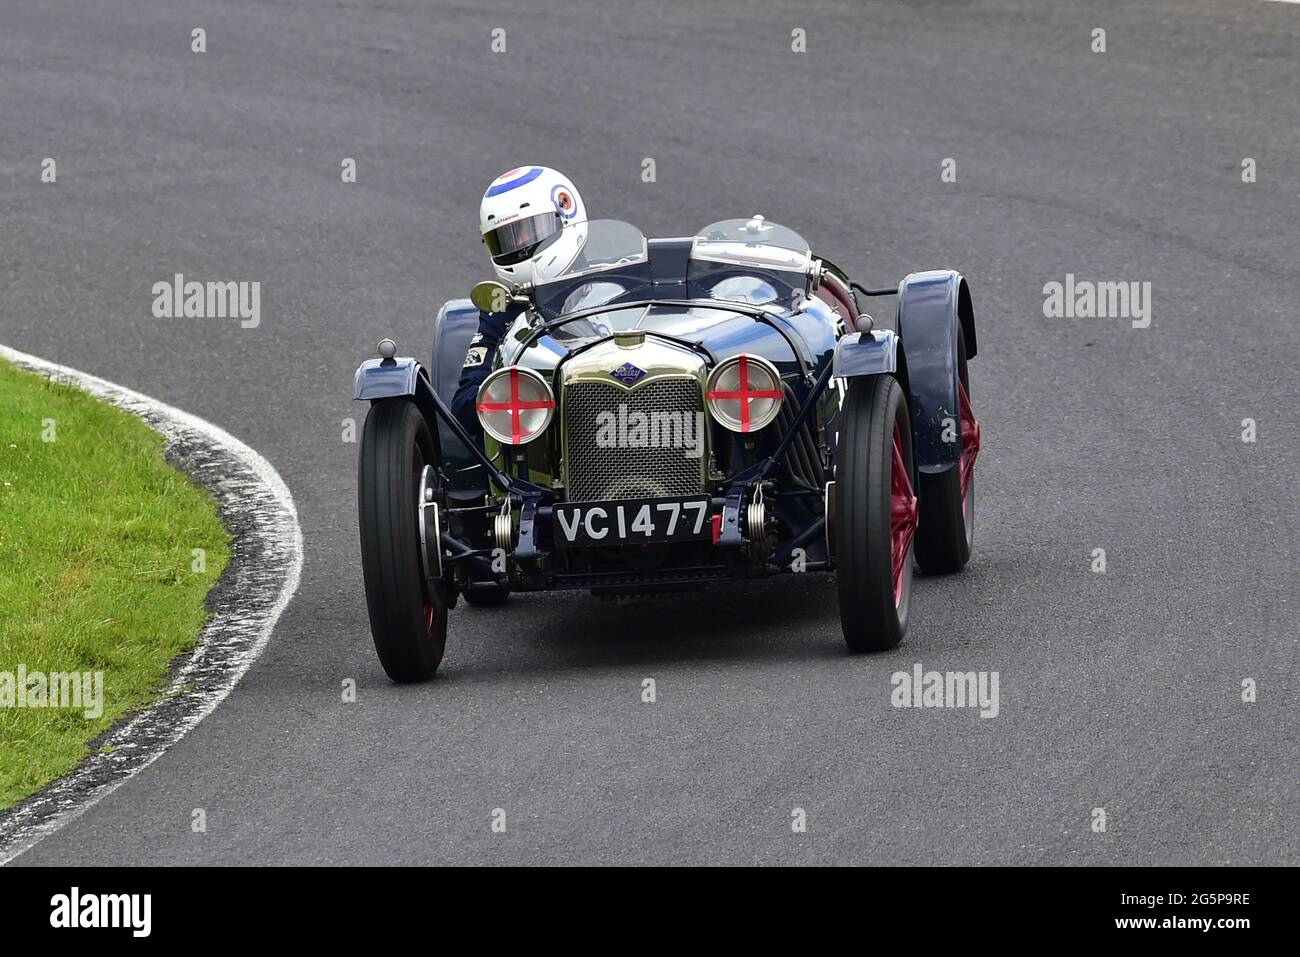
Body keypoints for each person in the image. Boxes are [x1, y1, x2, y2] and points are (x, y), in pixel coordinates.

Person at [450, 166, 587, 438]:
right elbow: (465, 403)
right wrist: (521, 397)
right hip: (544, 439)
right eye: (506, 240)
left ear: (566, 212)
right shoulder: (502, 308)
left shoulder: (619, 280)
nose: (520, 247)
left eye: (530, 233)